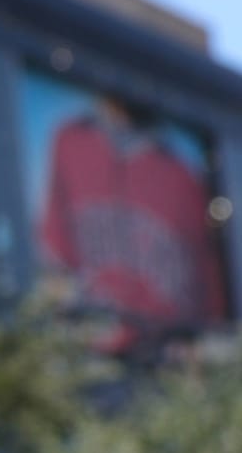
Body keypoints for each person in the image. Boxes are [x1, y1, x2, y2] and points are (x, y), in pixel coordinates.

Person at [36, 91, 227, 350]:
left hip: (157, 362)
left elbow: (211, 308)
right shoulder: (71, 140)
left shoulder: (186, 180)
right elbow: (54, 255)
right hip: (82, 351)